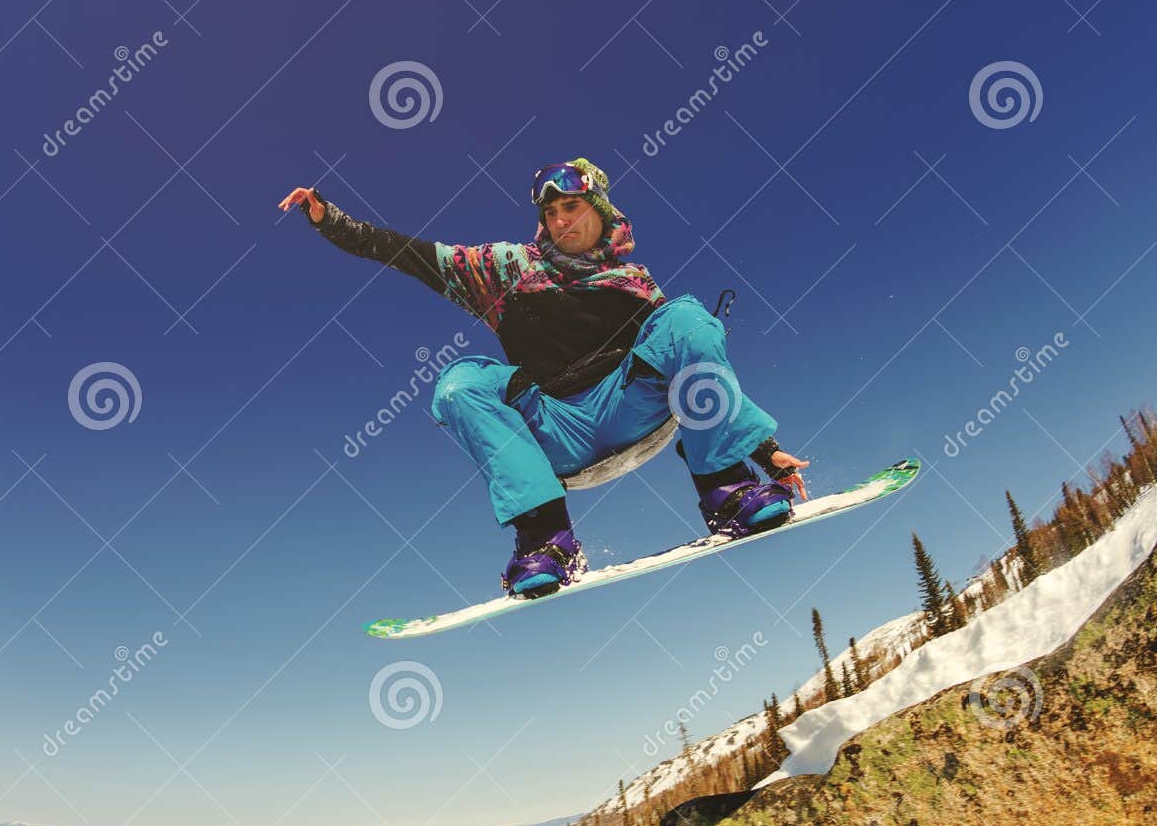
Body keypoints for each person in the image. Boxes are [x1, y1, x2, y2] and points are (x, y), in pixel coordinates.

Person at [278, 157, 809, 598]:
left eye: (571, 207)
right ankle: (546, 540)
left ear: (600, 209)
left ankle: (728, 488)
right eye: (550, 212)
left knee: (688, 317)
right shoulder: (505, 268)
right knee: (460, 384)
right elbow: (412, 255)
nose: (560, 221)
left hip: (634, 407)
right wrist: (331, 221)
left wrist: (765, 451)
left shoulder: (633, 281)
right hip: (557, 431)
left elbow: (693, 357)